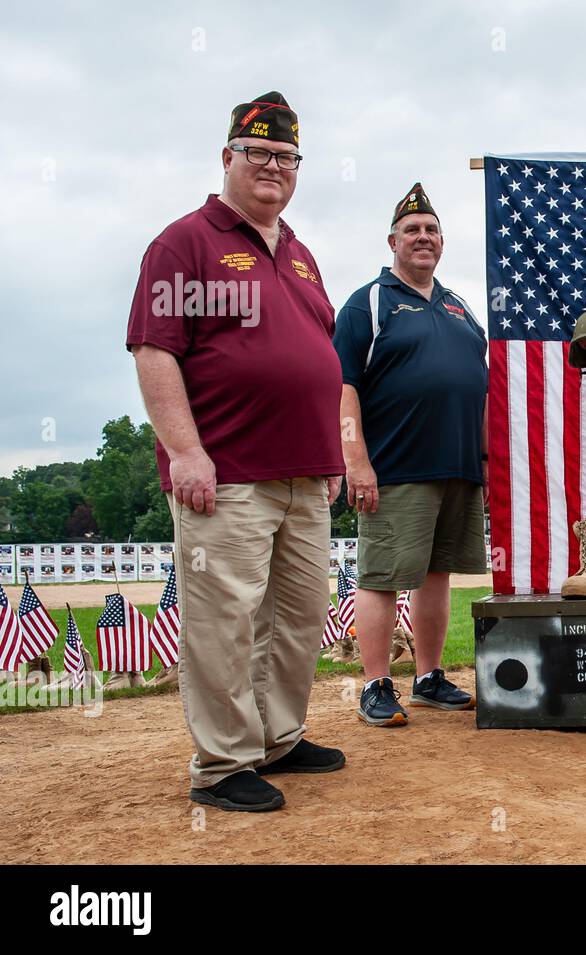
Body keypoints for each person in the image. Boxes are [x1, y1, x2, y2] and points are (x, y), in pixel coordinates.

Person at [127, 91, 346, 812]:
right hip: (225, 475)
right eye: (258, 152)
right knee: (224, 621)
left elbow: (319, 360)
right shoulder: (184, 243)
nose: (273, 166)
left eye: (287, 156)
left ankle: (278, 737)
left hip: (304, 474)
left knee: (298, 617)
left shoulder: (303, 257)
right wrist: (185, 451)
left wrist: (333, 455)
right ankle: (222, 763)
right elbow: (155, 350)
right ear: (228, 157)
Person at [333, 183, 486, 726]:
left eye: (432, 230)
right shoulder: (368, 303)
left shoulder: (460, 306)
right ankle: (376, 684)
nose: (424, 237)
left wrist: (484, 460)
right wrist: (356, 461)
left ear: (442, 241)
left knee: (438, 574)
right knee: (382, 576)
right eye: (412, 230)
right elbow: (342, 386)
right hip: (395, 467)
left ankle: (428, 678)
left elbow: (477, 385)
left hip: (459, 467)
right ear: (392, 242)